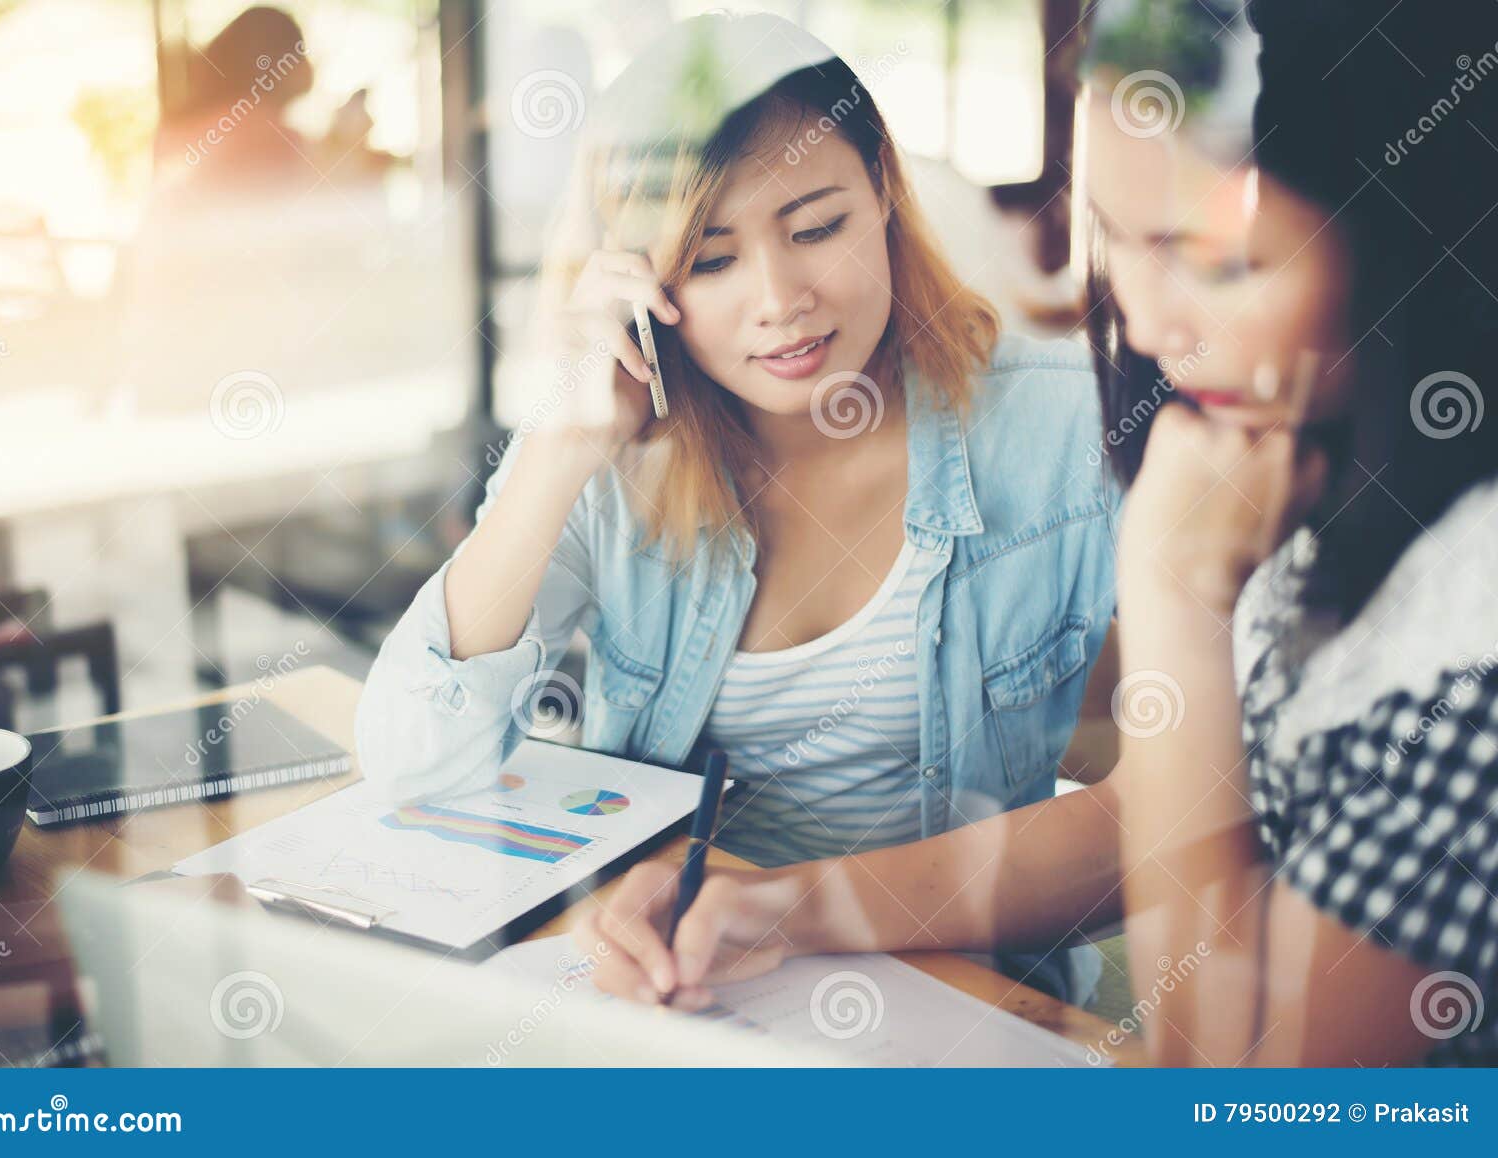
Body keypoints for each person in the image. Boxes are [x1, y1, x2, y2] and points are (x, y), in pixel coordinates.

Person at [577, 0, 1498, 1066]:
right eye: (1121, 241)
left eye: (1218, 261)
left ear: (1410, 236)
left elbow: (1230, 1097)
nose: (1149, 327)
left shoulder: (1464, 663)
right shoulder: (1309, 461)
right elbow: (1186, 817)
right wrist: (787, 910)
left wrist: (1174, 605)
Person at [356, 12, 1120, 1005]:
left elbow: (1195, 810)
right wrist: (560, 451)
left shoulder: (1067, 419)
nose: (780, 297)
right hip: (682, 998)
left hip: (961, 998)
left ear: (883, 192)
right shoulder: (613, 457)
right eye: (710, 259)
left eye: (816, 228)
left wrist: (796, 907)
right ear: (643, 276)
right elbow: (411, 762)